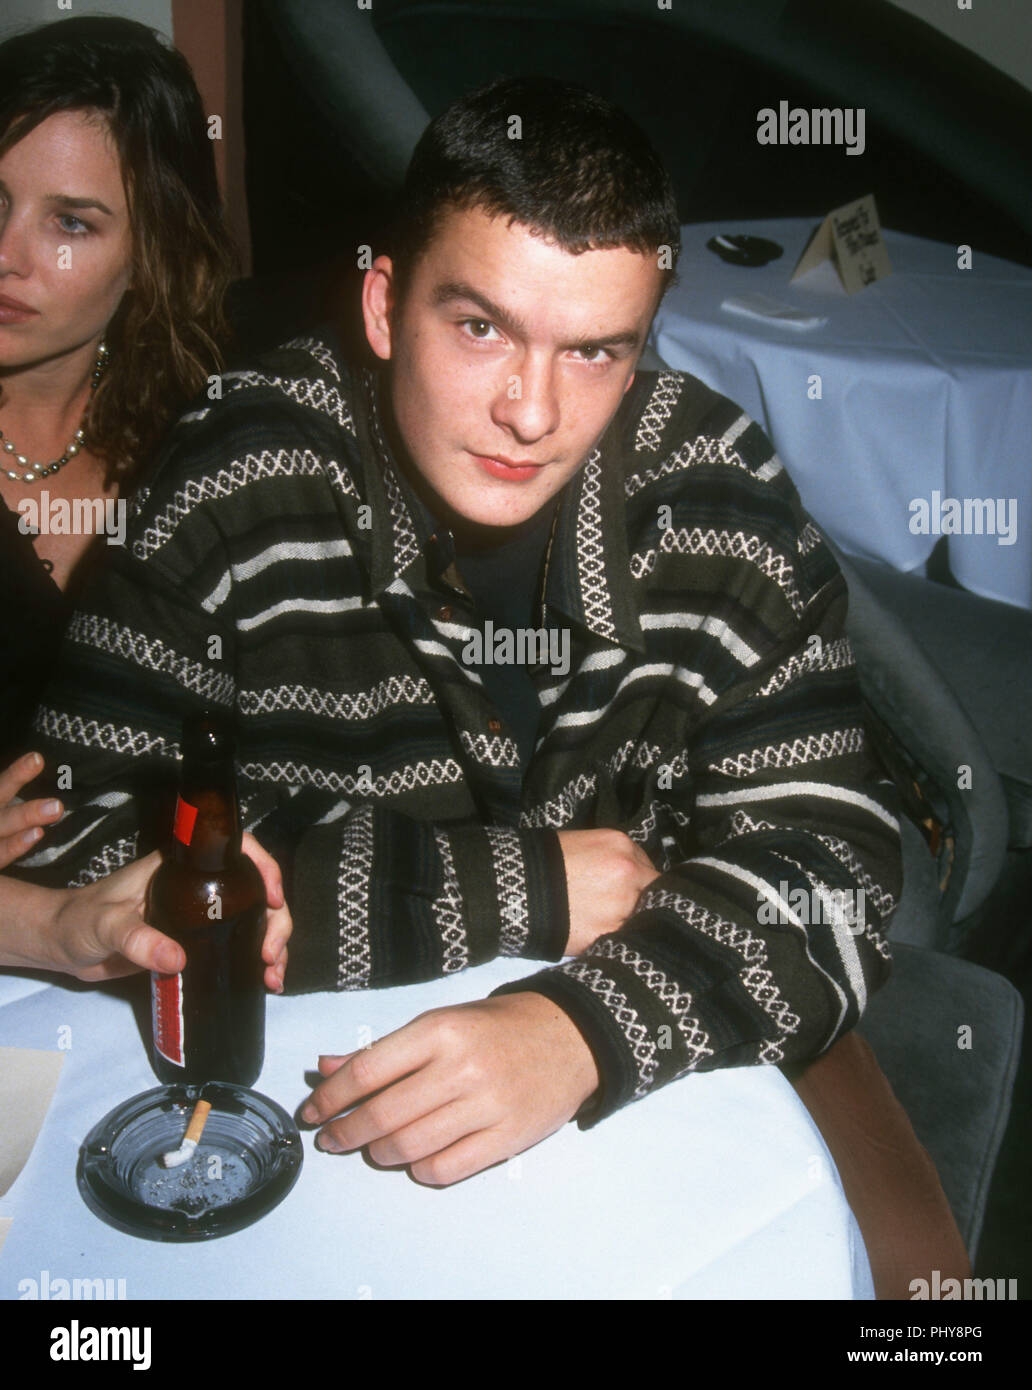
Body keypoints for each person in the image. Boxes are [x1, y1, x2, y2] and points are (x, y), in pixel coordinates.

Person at [18, 76, 900, 1182]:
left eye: (595, 352)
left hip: (645, 1104)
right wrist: (514, 890)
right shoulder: (235, 476)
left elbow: (834, 868)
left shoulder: (720, 500)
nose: (532, 413)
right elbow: (73, 846)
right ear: (385, 307)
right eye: (481, 327)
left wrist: (576, 1031)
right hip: (280, 1118)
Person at [0, 16, 288, 987]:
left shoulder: (205, 428)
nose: (8, 254)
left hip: (179, 920)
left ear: (150, 250)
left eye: (71, 222)